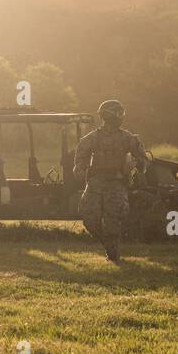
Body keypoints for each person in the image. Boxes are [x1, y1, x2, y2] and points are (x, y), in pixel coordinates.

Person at [74, 99, 146, 262]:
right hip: (95, 182)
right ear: (108, 115)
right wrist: (79, 168)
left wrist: (139, 164)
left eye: (122, 113)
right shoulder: (92, 138)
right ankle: (108, 244)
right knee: (89, 217)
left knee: (113, 219)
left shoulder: (128, 138)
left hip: (116, 183)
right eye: (118, 113)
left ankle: (113, 254)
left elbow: (142, 158)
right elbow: (81, 154)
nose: (121, 116)